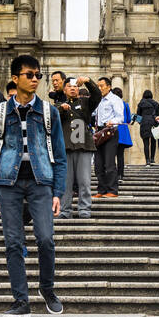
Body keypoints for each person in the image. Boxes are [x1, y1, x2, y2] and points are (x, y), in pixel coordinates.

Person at [0, 54, 66, 316]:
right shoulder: (1, 112)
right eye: (29, 75)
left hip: (41, 180)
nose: (35, 80)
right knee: (13, 243)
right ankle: (21, 300)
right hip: (8, 181)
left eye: (38, 75)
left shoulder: (49, 111)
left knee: (45, 239)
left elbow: (60, 157)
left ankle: (47, 288)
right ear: (15, 78)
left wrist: (58, 192)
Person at [59, 76, 101, 218]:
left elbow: (97, 95)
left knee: (84, 181)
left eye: (75, 86)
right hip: (65, 148)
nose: (72, 89)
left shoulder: (85, 102)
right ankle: (65, 210)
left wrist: (88, 81)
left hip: (84, 146)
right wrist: (61, 109)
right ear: (64, 89)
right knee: (66, 182)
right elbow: (51, 120)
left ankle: (84, 209)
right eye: (69, 86)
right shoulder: (58, 105)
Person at [93, 76, 124, 197]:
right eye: (98, 86)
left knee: (109, 162)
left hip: (110, 131)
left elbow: (120, 117)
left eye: (102, 86)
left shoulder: (115, 100)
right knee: (98, 163)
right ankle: (101, 190)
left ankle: (112, 190)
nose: (99, 88)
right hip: (99, 132)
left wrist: (112, 121)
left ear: (109, 86)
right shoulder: (98, 100)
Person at [113, 86, 133, 181]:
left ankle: (112, 174)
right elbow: (129, 119)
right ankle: (120, 174)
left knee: (111, 155)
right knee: (120, 155)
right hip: (123, 132)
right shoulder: (125, 105)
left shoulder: (111, 104)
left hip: (112, 131)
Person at [136, 88, 159, 165]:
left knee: (146, 143)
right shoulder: (155, 103)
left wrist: (141, 122)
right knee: (153, 142)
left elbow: (138, 115)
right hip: (153, 123)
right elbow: (157, 114)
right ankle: (152, 159)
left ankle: (147, 160)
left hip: (144, 124)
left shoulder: (141, 103)